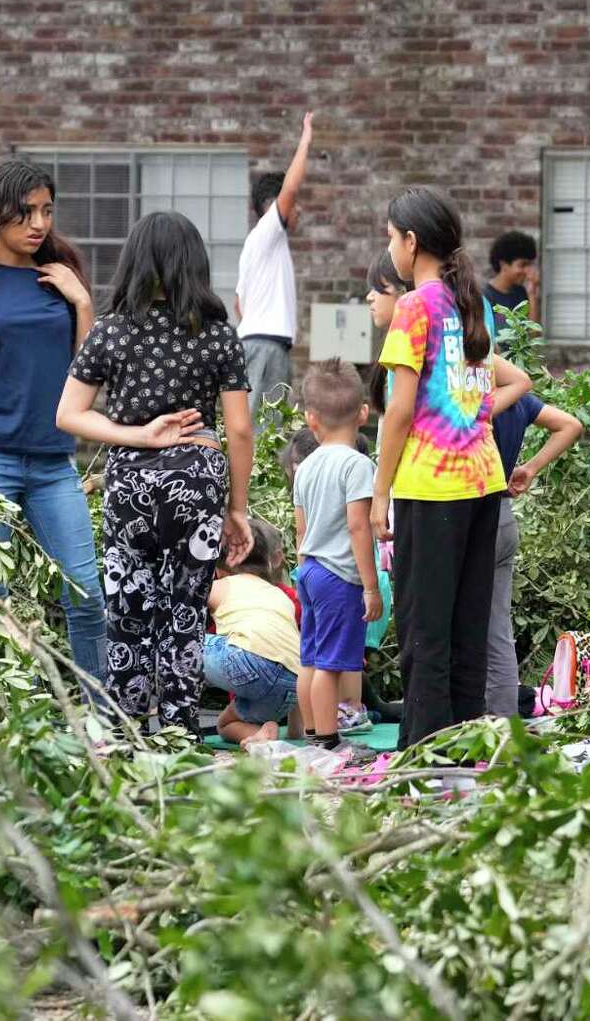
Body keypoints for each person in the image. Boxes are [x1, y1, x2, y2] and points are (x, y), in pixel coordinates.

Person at [57, 211, 255, 733]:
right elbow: (239, 430)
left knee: (128, 613)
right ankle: (178, 730)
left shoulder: (112, 332)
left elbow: (69, 414)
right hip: (198, 484)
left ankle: (126, 732)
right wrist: (238, 509)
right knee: (185, 612)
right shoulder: (218, 336)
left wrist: (138, 435)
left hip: (130, 488)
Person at [0, 160, 108, 699]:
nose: (38, 223)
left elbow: (88, 375)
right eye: (25, 212)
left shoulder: (58, 277)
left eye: (47, 211)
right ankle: (1, 713)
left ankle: (100, 716)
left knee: (87, 592)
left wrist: (82, 303)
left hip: (53, 461)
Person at [371, 187, 509, 749]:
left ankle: (422, 759)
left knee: (424, 633)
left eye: (390, 237)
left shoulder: (415, 306)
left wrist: (380, 494)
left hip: (432, 488)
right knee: (465, 631)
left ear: (411, 241)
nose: (390, 249)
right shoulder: (472, 303)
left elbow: (398, 410)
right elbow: (482, 396)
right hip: (484, 483)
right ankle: (465, 752)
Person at [288, 358, 381, 756]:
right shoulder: (359, 465)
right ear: (363, 413)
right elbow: (359, 528)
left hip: (308, 570)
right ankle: (328, 743)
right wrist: (371, 587)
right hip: (339, 576)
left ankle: (313, 735)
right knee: (329, 664)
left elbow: (300, 528)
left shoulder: (305, 465)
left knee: (310, 658)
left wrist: (304, 566)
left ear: (311, 419)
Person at [485, 388, 583, 717]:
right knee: (498, 628)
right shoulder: (518, 400)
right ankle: (502, 721)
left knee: (462, 627)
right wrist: (530, 467)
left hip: (473, 516)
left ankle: (466, 717)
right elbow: (570, 425)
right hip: (504, 517)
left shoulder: (473, 395)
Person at [236, 111, 315, 425]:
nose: (298, 210)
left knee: (258, 429)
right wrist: (306, 137)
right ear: (274, 205)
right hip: (266, 346)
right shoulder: (269, 231)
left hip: (256, 343)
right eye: (293, 206)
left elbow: (239, 304)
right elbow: (291, 189)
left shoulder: (255, 247)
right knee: (268, 434)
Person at [203, 517, 301, 746]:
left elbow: (182, 608)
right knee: (225, 725)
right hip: (288, 686)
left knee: (180, 643)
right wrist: (297, 730)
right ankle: (260, 735)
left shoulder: (223, 586)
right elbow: (296, 659)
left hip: (247, 664)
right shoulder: (279, 595)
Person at [483, 229, 539, 337]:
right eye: (522, 265)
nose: (527, 271)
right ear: (504, 265)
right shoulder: (486, 297)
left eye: (529, 265)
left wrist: (532, 294)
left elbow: (533, 336)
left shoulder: (521, 293)